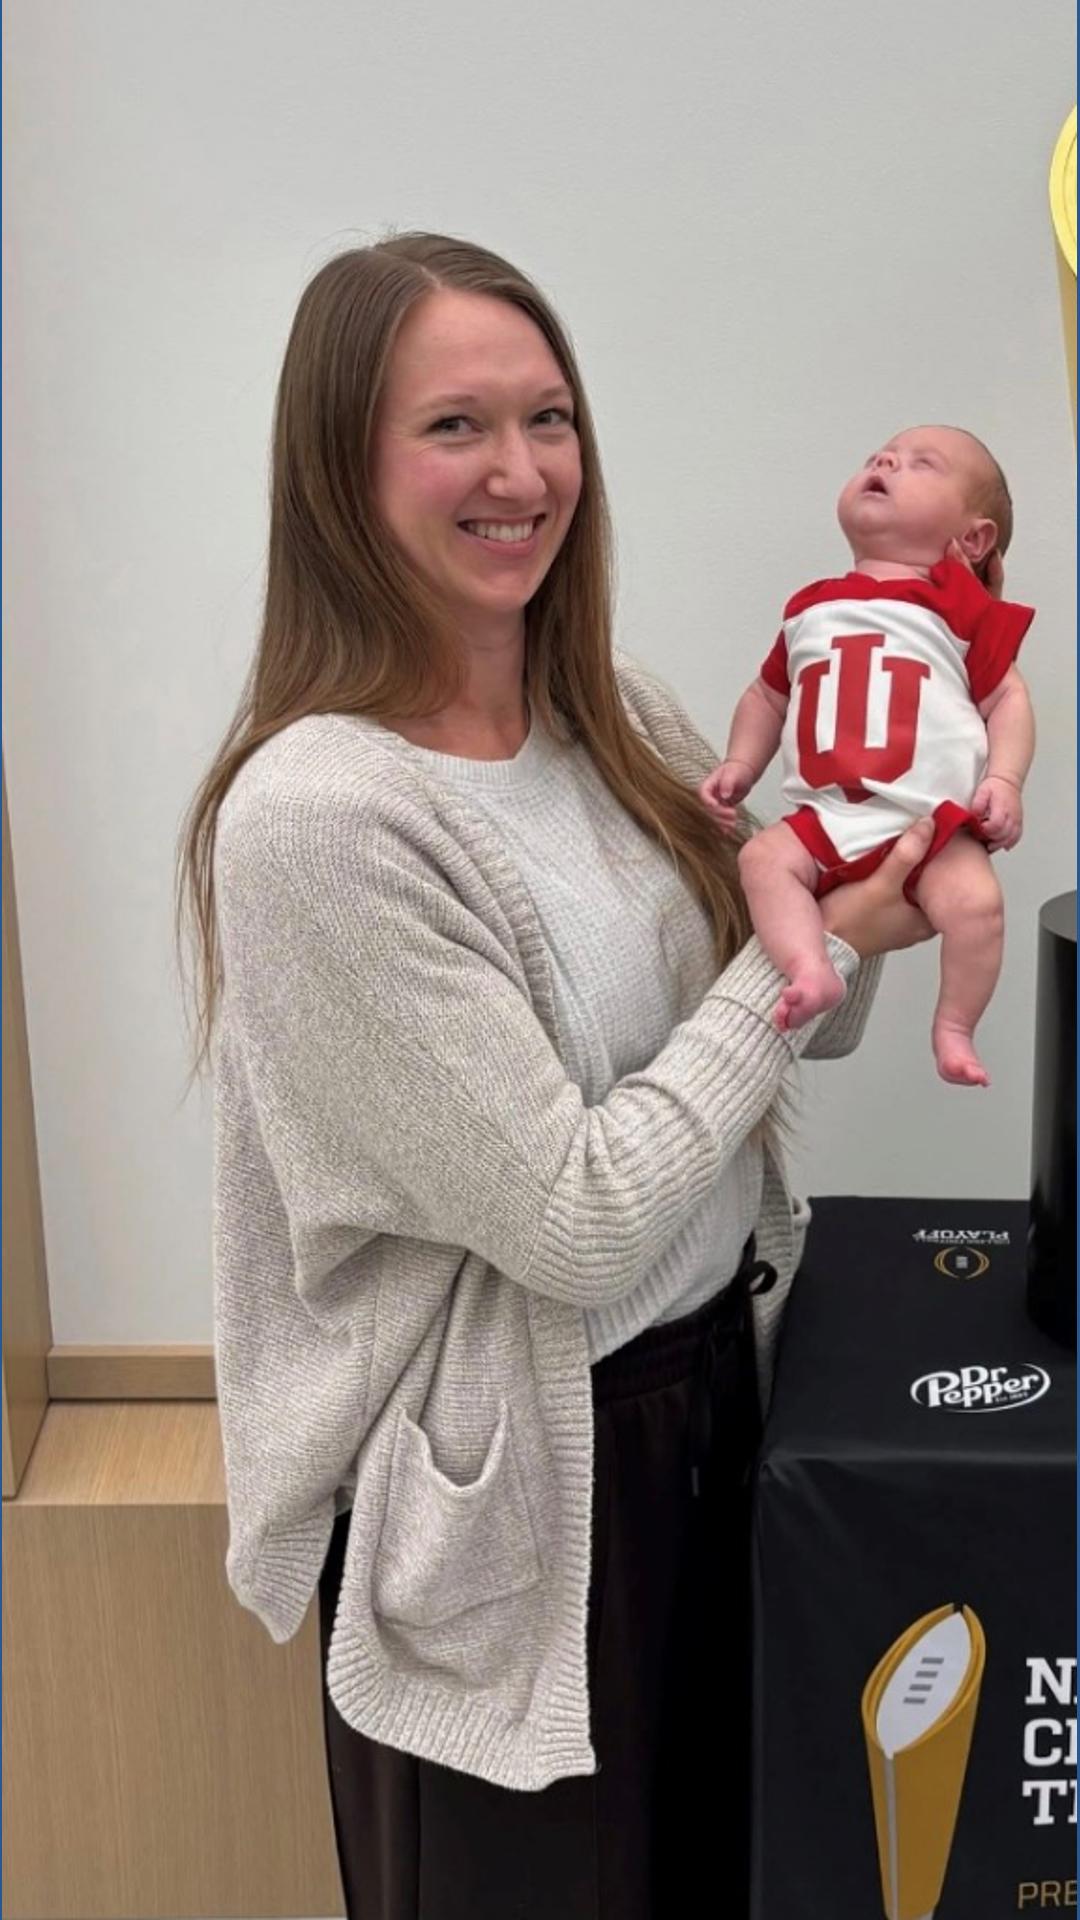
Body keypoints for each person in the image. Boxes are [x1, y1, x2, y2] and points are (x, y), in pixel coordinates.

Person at [177, 234, 940, 1920]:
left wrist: (876, 843)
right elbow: (579, 1220)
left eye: (548, 418)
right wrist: (793, 954)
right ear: (341, 467)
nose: (520, 474)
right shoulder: (322, 821)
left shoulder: (622, 720)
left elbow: (809, 1019)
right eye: (455, 426)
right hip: (528, 1499)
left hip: (718, 1418)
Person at [699, 426, 1035, 1085]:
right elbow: (766, 696)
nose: (885, 460)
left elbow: (1008, 699)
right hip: (826, 818)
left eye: (921, 464)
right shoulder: (808, 607)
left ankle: (954, 1026)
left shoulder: (960, 608)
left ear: (974, 539)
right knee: (761, 860)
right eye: (880, 456)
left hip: (930, 825)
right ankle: (810, 967)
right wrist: (739, 765)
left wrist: (1005, 778)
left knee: (977, 906)